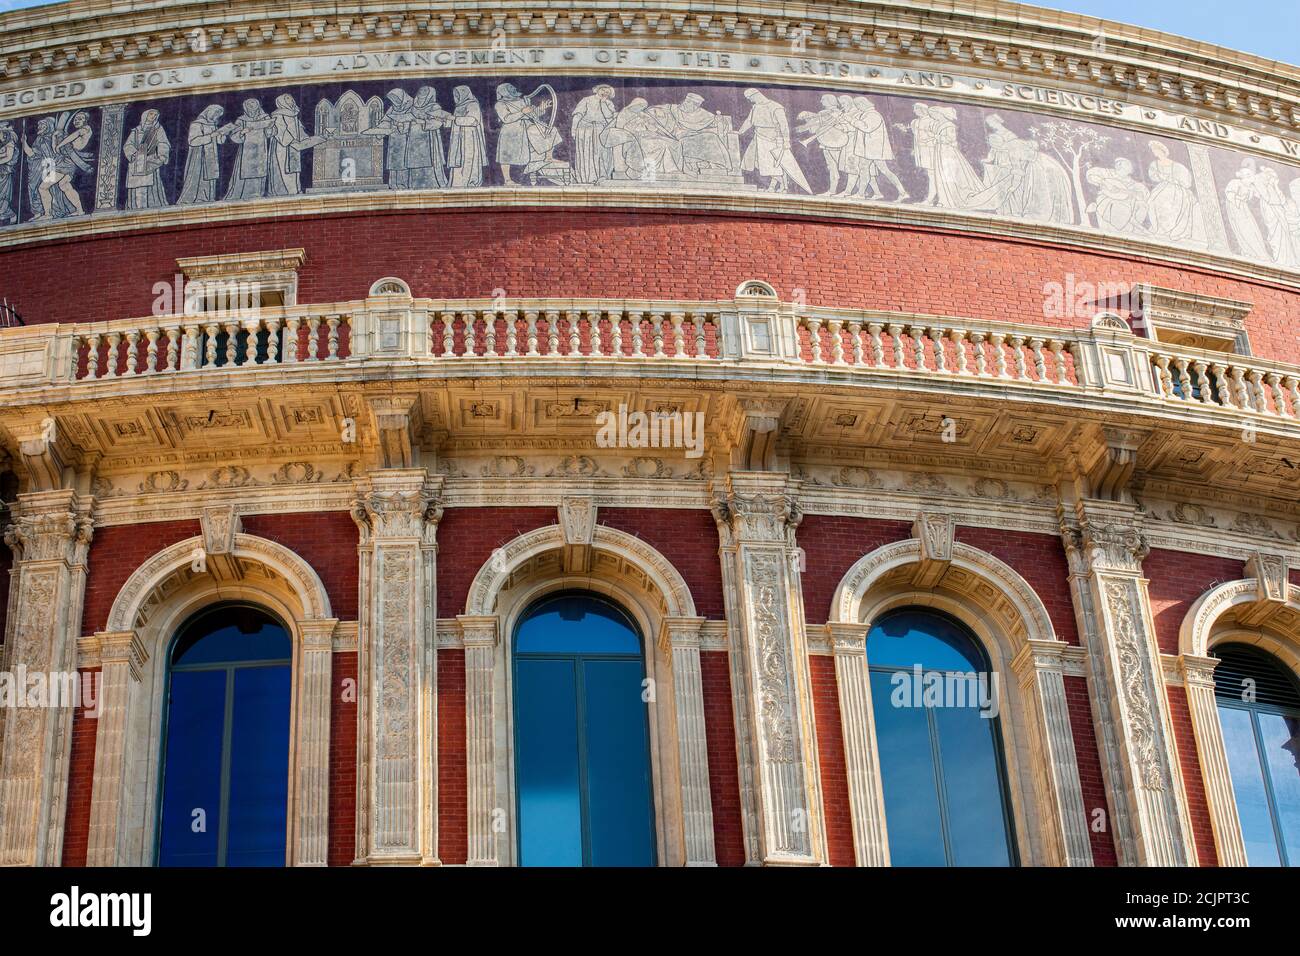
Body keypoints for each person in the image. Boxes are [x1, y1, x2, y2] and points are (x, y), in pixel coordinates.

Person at [24, 111, 92, 220]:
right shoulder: (70, 135)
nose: (76, 120)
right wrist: (54, 139)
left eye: (80, 118)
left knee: (43, 188)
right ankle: (79, 210)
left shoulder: (85, 130)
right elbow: (56, 150)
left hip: (65, 165)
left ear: (86, 121)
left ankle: (48, 214)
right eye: (76, 119)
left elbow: (71, 137)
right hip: (68, 163)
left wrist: (60, 143)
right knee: (64, 186)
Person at [738, 88, 809, 193]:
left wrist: (786, 141)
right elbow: (749, 121)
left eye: (750, 98)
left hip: (773, 139)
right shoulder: (755, 107)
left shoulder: (776, 107)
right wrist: (739, 132)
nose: (750, 101)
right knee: (758, 163)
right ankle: (779, 185)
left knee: (773, 165)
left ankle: (783, 186)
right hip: (758, 137)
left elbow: (783, 125)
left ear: (756, 95)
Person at [495, 83, 560, 185]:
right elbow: (506, 118)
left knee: (551, 131)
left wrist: (542, 108)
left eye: (513, 87)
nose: (513, 89)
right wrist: (522, 112)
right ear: (503, 91)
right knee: (506, 155)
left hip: (527, 126)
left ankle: (548, 157)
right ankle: (507, 180)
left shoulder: (522, 101)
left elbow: (532, 115)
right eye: (510, 88)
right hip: (511, 130)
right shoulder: (500, 104)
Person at [1145, 140, 1205, 244]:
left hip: (1178, 189)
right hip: (1163, 187)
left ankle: (1174, 231)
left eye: (1156, 150)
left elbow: (1186, 180)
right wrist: (1162, 176)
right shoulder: (1154, 164)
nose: (1154, 153)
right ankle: (1161, 229)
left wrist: (1174, 180)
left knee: (1176, 202)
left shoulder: (1177, 166)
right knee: (1153, 201)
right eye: (1153, 151)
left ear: (1162, 151)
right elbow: (1153, 175)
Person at [177, 105, 233, 204]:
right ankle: (194, 198)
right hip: (199, 155)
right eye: (215, 113)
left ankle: (208, 197)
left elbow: (219, 141)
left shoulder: (213, 125)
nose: (216, 116)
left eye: (218, 114)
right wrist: (211, 136)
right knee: (198, 176)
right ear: (208, 111)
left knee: (210, 175)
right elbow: (193, 141)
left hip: (211, 154)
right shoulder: (197, 124)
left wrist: (223, 134)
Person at [796, 94, 848, 195]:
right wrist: (808, 118)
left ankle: (848, 190)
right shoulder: (824, 113)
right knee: (832, 168)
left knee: (840, 167)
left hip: (835, 142)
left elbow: (814, 128)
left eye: (823, 99)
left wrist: (807, 118)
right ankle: (832, 190)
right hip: (828, 142)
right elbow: (814, 128)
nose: (820, 101)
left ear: (829, 101)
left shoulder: (835, 113)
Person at [224, 99, 274, 200]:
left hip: (260, 148)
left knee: (260, 171)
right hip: (246, 151)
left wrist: (270, 127)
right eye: (249, 104)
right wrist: (242, 132)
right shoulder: (241, 120)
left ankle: (258, 194)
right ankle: (244, 194)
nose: (252, 105)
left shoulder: (265, 117)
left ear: (258, 105)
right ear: (245, 106)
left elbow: (270, 133)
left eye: (254, 103)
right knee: (246, 171)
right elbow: (234, 136)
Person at [1085, 159, 1149, 236]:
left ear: (1129, 169)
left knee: (1140, 206)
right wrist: (1103, 182)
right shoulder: (1108, 173)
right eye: (1118, 163)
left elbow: (1142, 194)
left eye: (1122, 164)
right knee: (1118, 207)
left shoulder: (1131, 182)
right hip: (1107, 200)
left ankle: (1134, 229)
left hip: (1126, 203)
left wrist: (1122, 190)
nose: (1119, 165)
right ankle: (1137, 229)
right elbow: (1091, 174)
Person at [123, 108, 171, 209]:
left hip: (151, 161)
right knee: (136, 186)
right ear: (145, 115)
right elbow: (128, 145)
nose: (153, 116)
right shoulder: (136, 131)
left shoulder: (158, 129)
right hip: (136, 162)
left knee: (151, 185)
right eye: (151, 114)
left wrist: (162, 155)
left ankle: (151, 205)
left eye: (155, 115)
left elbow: (163, 143)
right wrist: (134, 154)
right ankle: (135, 207)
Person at [570, 85, 615, 183]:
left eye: (607, 92)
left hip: (601, 130)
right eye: (603, 90)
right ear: (597, 90)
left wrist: (603, 104)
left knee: (602, 154)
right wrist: (573, 130)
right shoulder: (587, 100)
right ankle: (588, 179)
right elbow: (578, 115)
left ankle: (602, 177)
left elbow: (609, 117)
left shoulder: (609, 103)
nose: (604, 93)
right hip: (585, 129)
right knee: (587, 153)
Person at [409, 87, 452, 189]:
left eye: (425, 91)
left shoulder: (433, 106)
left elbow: (438, 122)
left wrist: (424, 122)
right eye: (420, 90)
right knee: (415, 162)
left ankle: (432, 185)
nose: (421, 93)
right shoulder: (412, 107)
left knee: (430, 162)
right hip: (413, 140)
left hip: (429, 139)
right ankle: (416, 185)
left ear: (430, 94)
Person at [447, 86, 487, 188]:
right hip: (457, 137)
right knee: (458, 160)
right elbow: (453, 122)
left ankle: (470, 183)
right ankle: (457, 183)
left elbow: (473, 120)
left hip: (469, 137)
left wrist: (454, 118)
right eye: (454, 95)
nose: (455, 97)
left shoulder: (473, 104)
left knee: (469, 159)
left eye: (457, 94)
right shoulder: (458, 106)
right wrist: (445, 120)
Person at [0, 121, 18, 224]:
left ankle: (11, 215)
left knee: (3, 195)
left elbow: (8, 157)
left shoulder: (10, 142)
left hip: (4, 173)